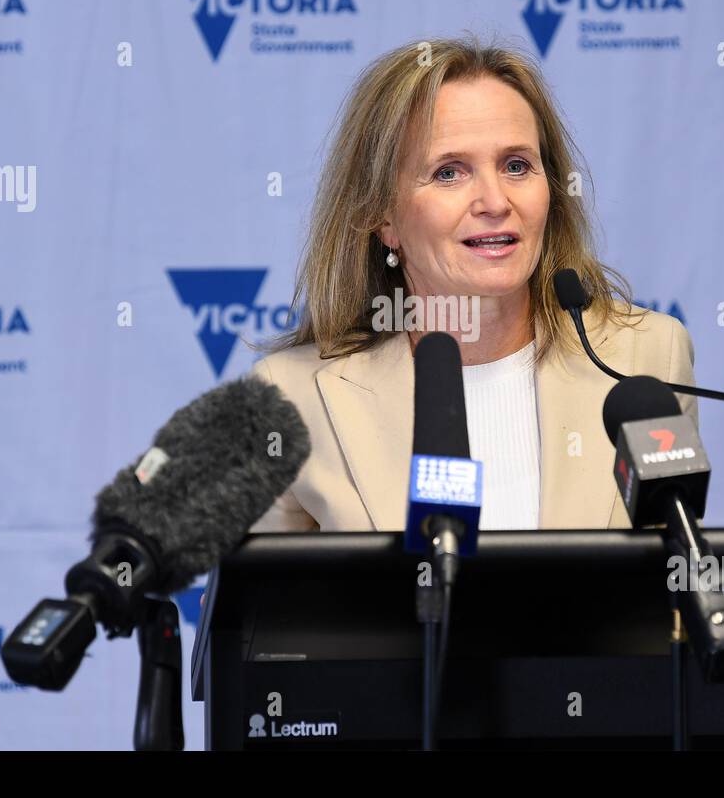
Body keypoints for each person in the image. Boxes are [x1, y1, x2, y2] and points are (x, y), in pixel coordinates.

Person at [247, 34, 695, 534]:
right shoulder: (290, 397)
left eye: (517, 165)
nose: (495, 201)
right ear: (382, 217)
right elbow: (268, 609)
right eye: (448, 173)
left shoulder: (648, 358)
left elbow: (674, 592)